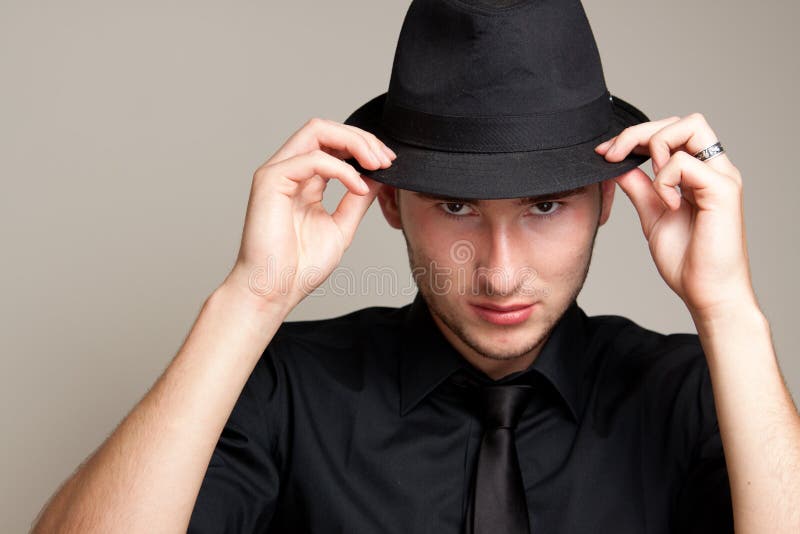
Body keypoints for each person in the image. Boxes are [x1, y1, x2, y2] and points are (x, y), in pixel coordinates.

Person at [31, 1, 800, 533]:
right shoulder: (284, 392)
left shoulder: (695, 392)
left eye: (544, 208)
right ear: (390, 201)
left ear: (607, 198)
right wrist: (250, 298)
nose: (500, 275)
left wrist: (729, 309)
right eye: (457, 208)